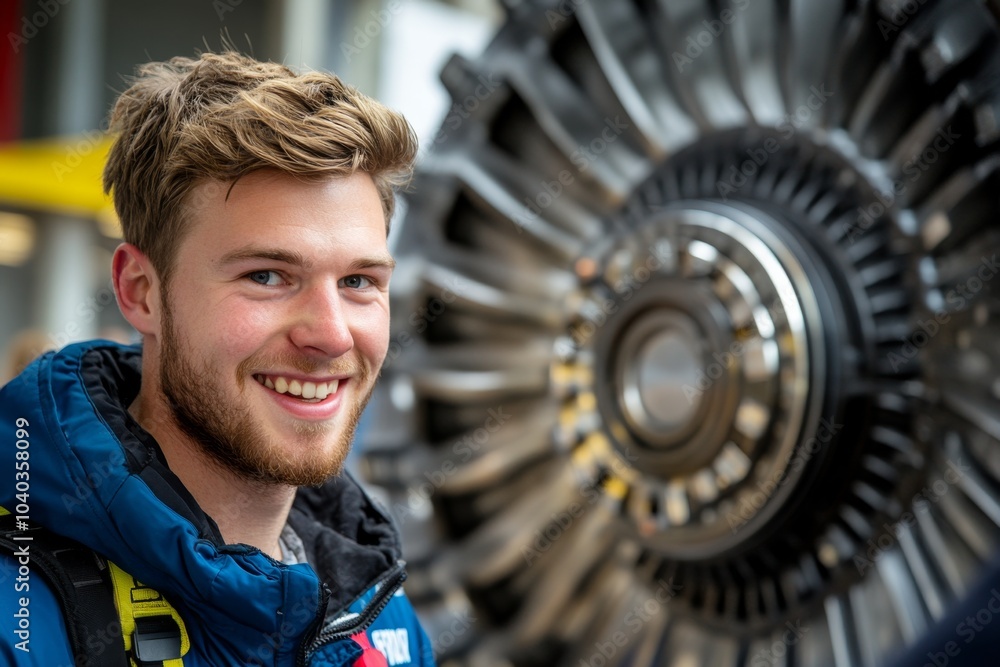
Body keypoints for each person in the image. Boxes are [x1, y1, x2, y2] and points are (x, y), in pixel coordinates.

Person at [0, 51, 434, 666]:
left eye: (359, 282)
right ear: (141, 292)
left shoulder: (382, 614)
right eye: (267, 276)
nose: (333, 336)